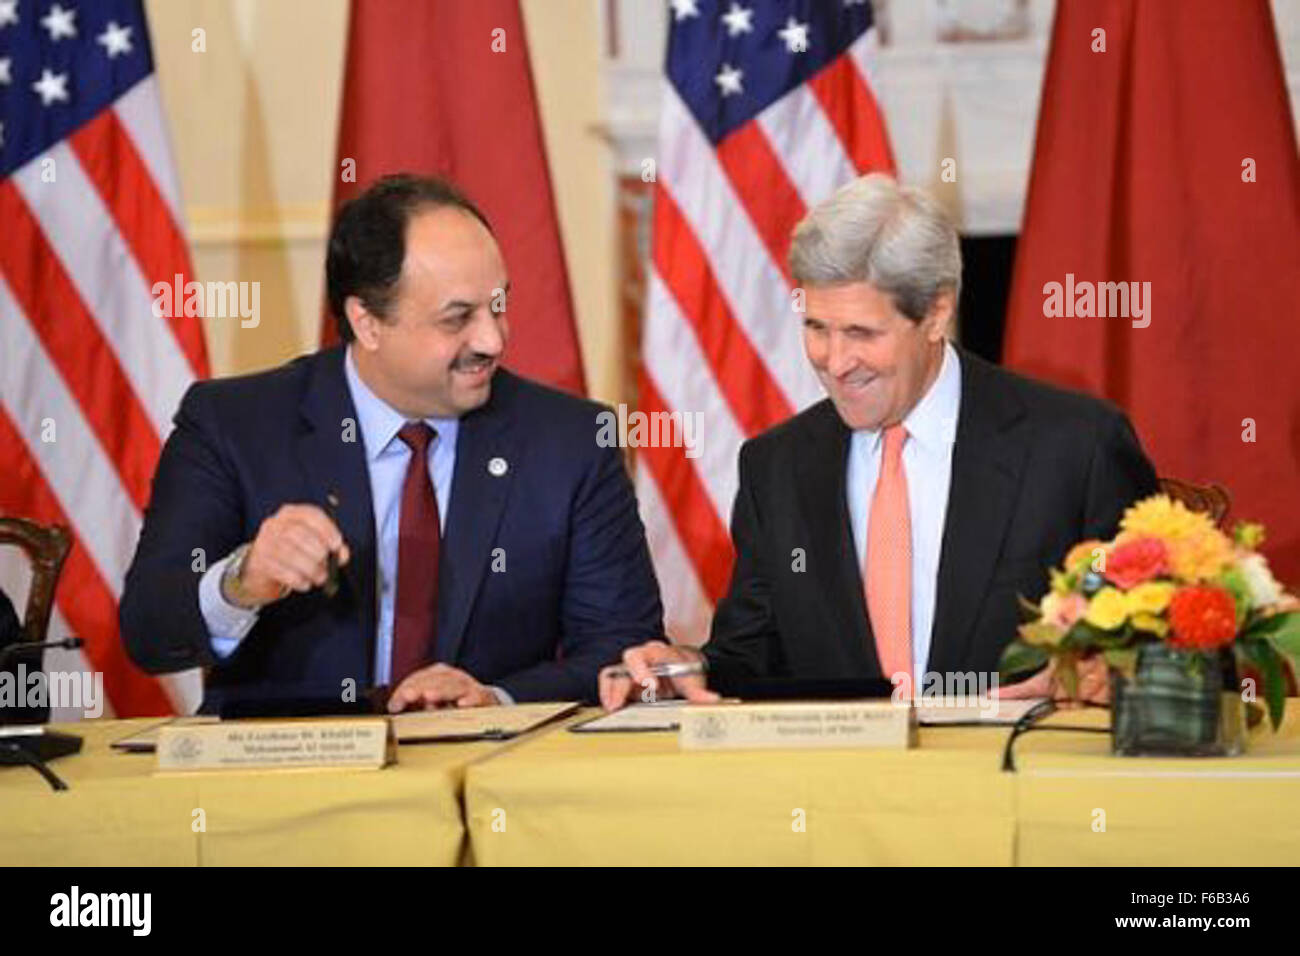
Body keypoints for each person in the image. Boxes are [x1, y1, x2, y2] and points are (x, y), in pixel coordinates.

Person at [600, 174, 1156, 710]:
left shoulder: (1076, 449)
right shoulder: (778, 466)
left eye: (861, 333)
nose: (835, 363)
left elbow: (1176, 652)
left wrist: (1109, 673)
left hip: (1012, 785)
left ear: (936, 313)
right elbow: (754, 653)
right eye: (817, 328)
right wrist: (689, 668)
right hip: (840, 795)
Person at [121, 174, 662, 712]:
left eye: (498, 305)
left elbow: (623, 650)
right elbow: (149, 631)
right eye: (459, 318)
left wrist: (496, 699)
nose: (493, 339)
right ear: (367, 323)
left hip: (490, 777)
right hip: (285, 781)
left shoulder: (570, 441)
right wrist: (242, 581)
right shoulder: (235, 425)